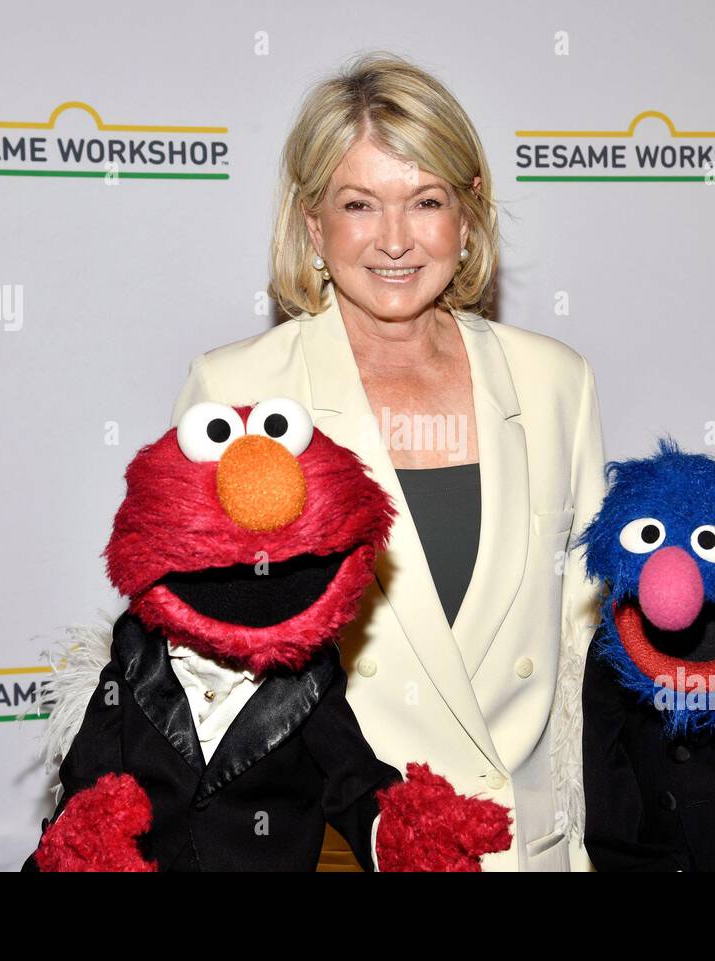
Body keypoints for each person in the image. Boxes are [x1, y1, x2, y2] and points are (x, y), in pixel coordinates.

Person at [170, 51, 607, 870]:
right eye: (360, 204)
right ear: (312, 224)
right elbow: (207, 675)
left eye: (427, 200)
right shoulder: (239, 391)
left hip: (529, 850)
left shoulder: (556, 382)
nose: (397, 240)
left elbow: (589, 649)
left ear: (468, 215)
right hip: (342, 848)